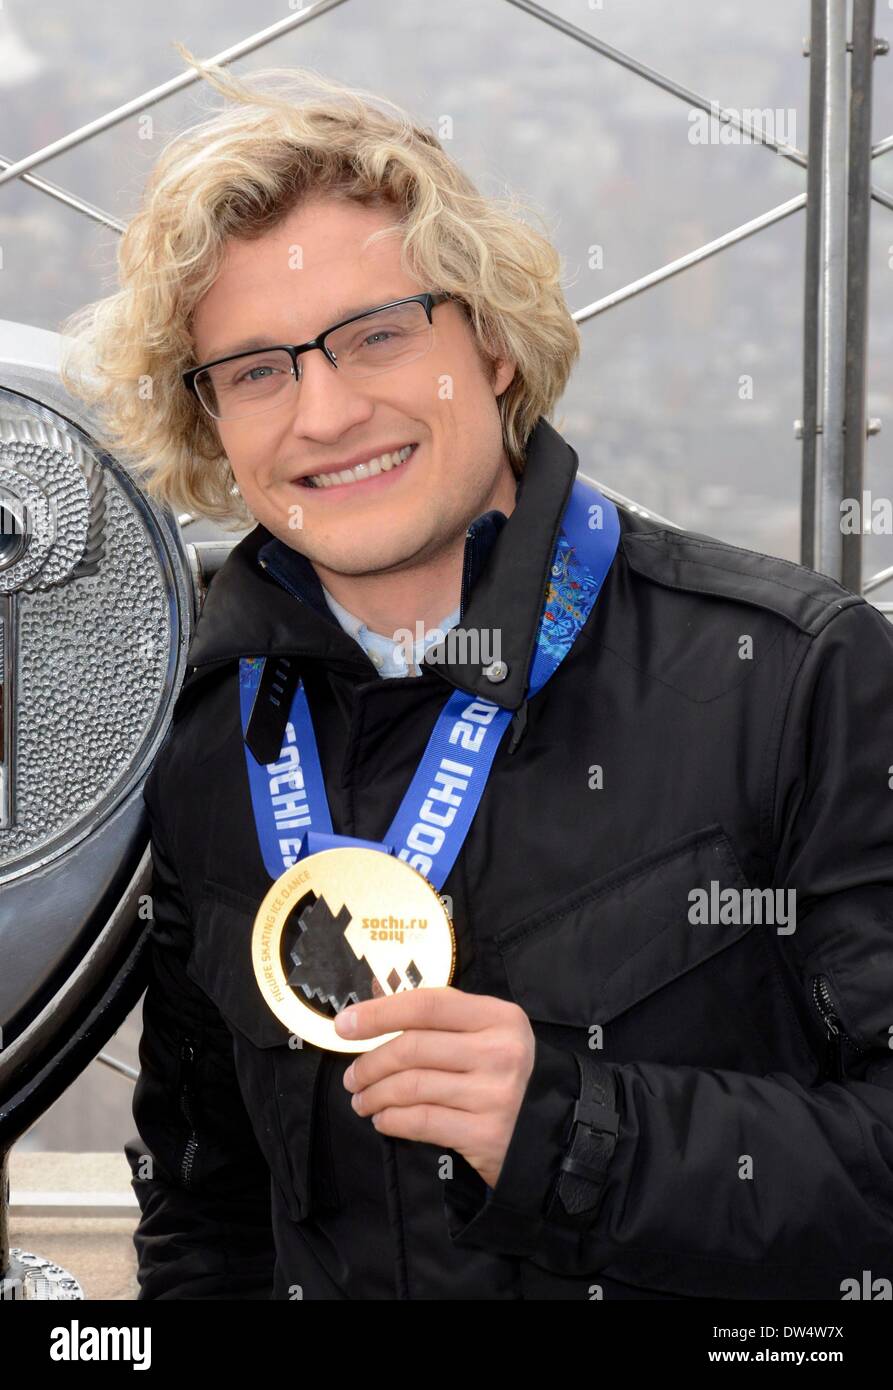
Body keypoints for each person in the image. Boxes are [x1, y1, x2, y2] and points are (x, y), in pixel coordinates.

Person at [61, 51, 893, 1301]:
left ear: (494, 344)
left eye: (378, 336)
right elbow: (205, 1196)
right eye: (256, 370)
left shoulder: (790, 677)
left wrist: (572, 1132)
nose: (325, 413)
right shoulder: (203, 731)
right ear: (214, 424)